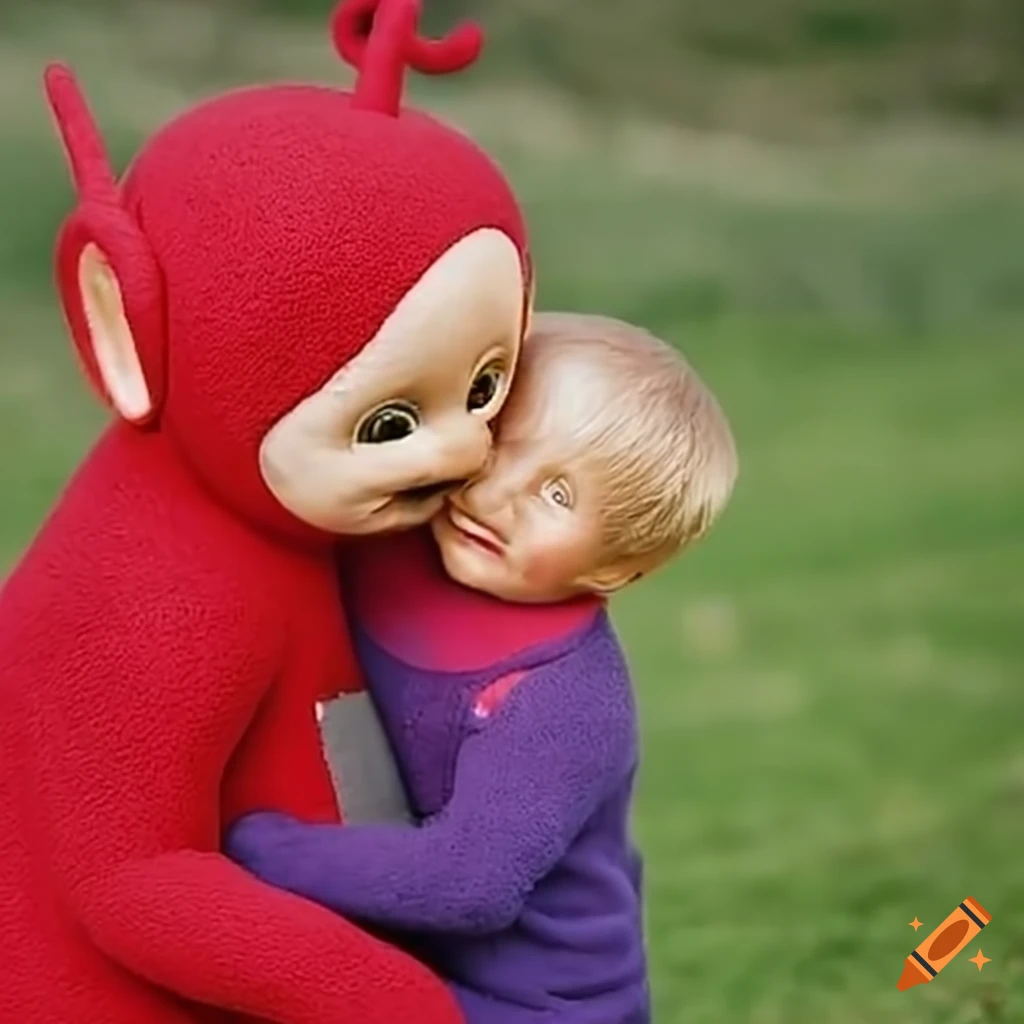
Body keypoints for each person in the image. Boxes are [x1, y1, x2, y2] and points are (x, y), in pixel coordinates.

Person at [226, 312, 739, 1023]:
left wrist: (265, 851)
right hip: (414, 957)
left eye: (558, 495)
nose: (495, 498)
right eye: (500, 444)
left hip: (538, 1006)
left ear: (619, 567)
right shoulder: (392, 544)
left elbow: (469, 885)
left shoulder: (563, 697)